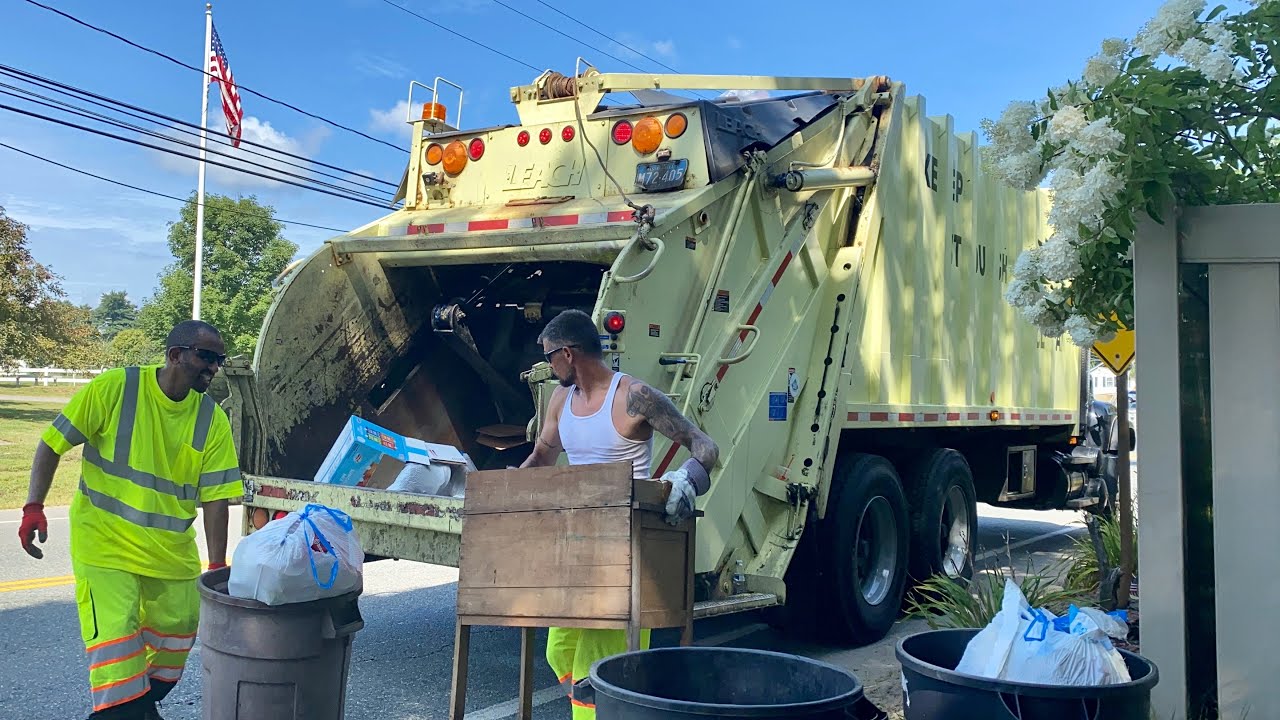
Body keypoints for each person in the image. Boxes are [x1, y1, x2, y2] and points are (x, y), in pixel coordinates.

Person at [18, 320, 244, 720]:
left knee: (179, 633)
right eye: (206, 357)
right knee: (118, 643)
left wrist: (216, 564)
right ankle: (124, 711)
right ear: (175, 355)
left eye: (219, 360)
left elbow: (215, 499)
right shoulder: (116, 388)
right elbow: (54, 442)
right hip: (105, 544)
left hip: (170, 553)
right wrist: (33, 506)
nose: (214, 368)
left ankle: (135, 707)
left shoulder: (212, 419)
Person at [520, 309, 719, 719]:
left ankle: (607, 708)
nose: (547, 365)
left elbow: (705, 447)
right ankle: (621, 703)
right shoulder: (560, 400)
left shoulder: (633, 396)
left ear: (569, 354)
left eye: (549, 356)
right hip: (577, 549)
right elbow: (541, 457)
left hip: (625, 552)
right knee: (560, 652)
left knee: (598, 670)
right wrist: (504, 491)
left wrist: (686, 480)